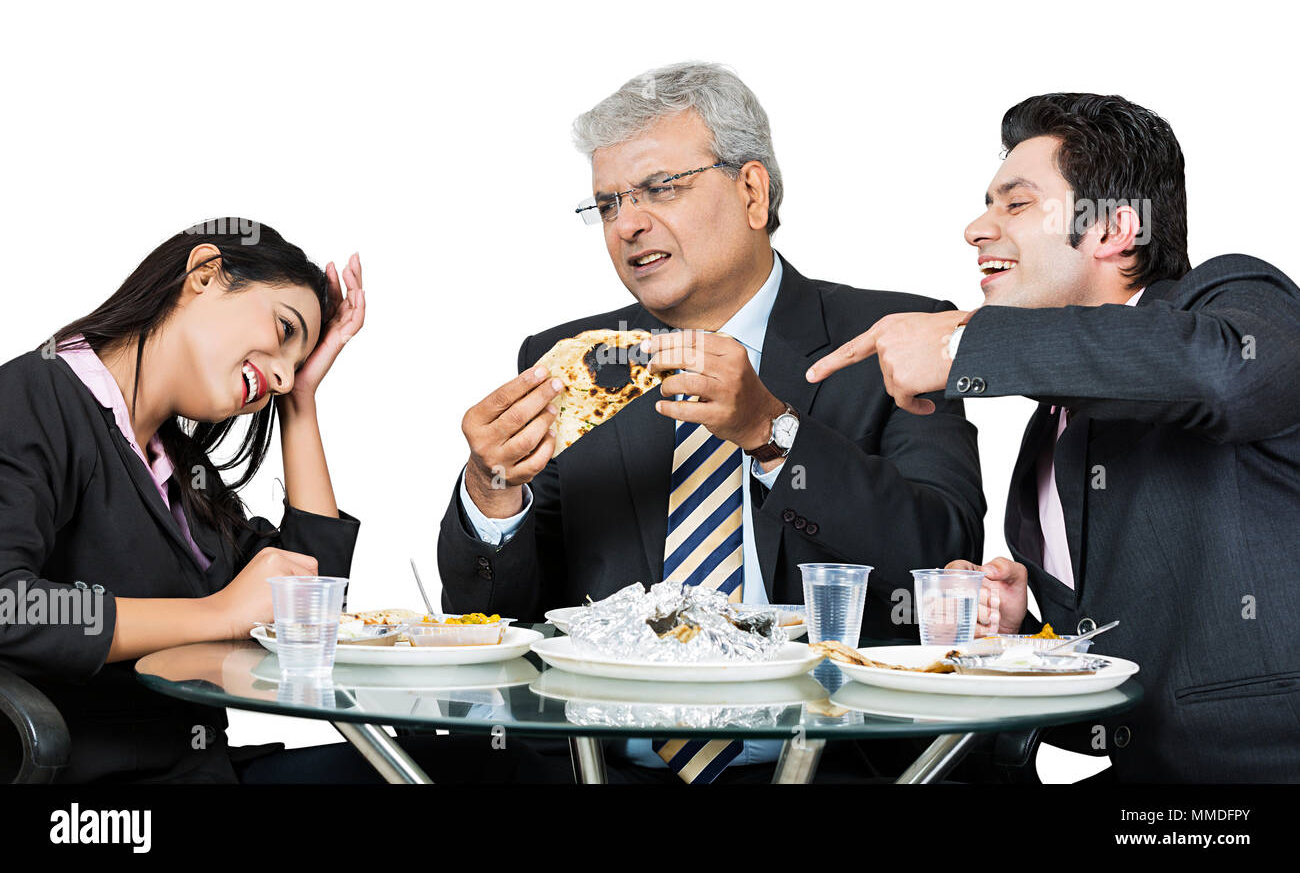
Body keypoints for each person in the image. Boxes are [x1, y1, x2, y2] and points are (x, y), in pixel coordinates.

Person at [438, 62, 985, 783]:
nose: (628, 223)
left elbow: (939, 563)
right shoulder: (572, 362)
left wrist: (773, 434)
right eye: (607, 204)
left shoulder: (891, 338)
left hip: (831, 764)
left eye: (661, 188)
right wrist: (492, 492)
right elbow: (501, 622)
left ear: (752, 191)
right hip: (605, 768)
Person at [807, 93, 1300, 782]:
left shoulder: (1229, 303)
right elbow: (1113, 643)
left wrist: (959, 345)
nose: (977, 228)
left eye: (1015, 204)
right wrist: (1027, 632)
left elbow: (1221, 373)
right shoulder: (1056, 419)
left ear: (1115, 229)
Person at [0, 219, 368, 782]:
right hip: (100, 800)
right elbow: (9, 605)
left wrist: (302, 403)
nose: (283, 376)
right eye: (284, 329)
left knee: (480, 766)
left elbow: (307, 609)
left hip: (205, 771)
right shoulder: (33, 397)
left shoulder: (182, 469)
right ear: (203, 274)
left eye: (296, 367)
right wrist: (216, 614)